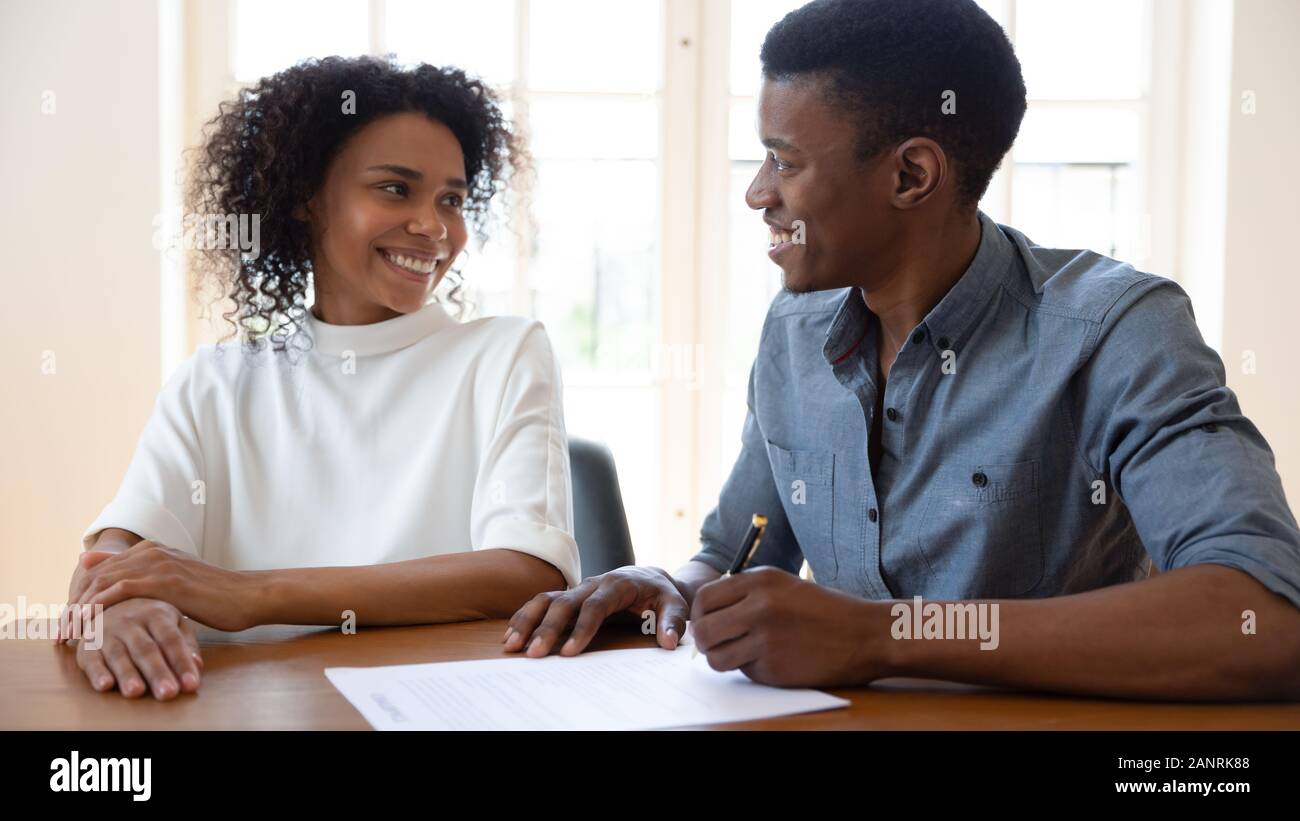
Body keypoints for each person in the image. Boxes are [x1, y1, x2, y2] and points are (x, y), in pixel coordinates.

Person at [503, 0, 1300, 701]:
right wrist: (673, 583)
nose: (756, 193)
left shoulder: (1117, 330)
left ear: (912, 174)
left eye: (784, 161)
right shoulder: (794, 330)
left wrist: (880, 635)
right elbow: (738, 551)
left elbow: (1262, 615)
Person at [60, 56, 579, 700]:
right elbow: (117, 551)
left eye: (451, 198)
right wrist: (118, 605)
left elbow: (526, 573)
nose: (433, 226)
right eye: (396, 188)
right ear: (306, 197)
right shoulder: (216, 382)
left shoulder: (503, 353)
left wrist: (251, 594)